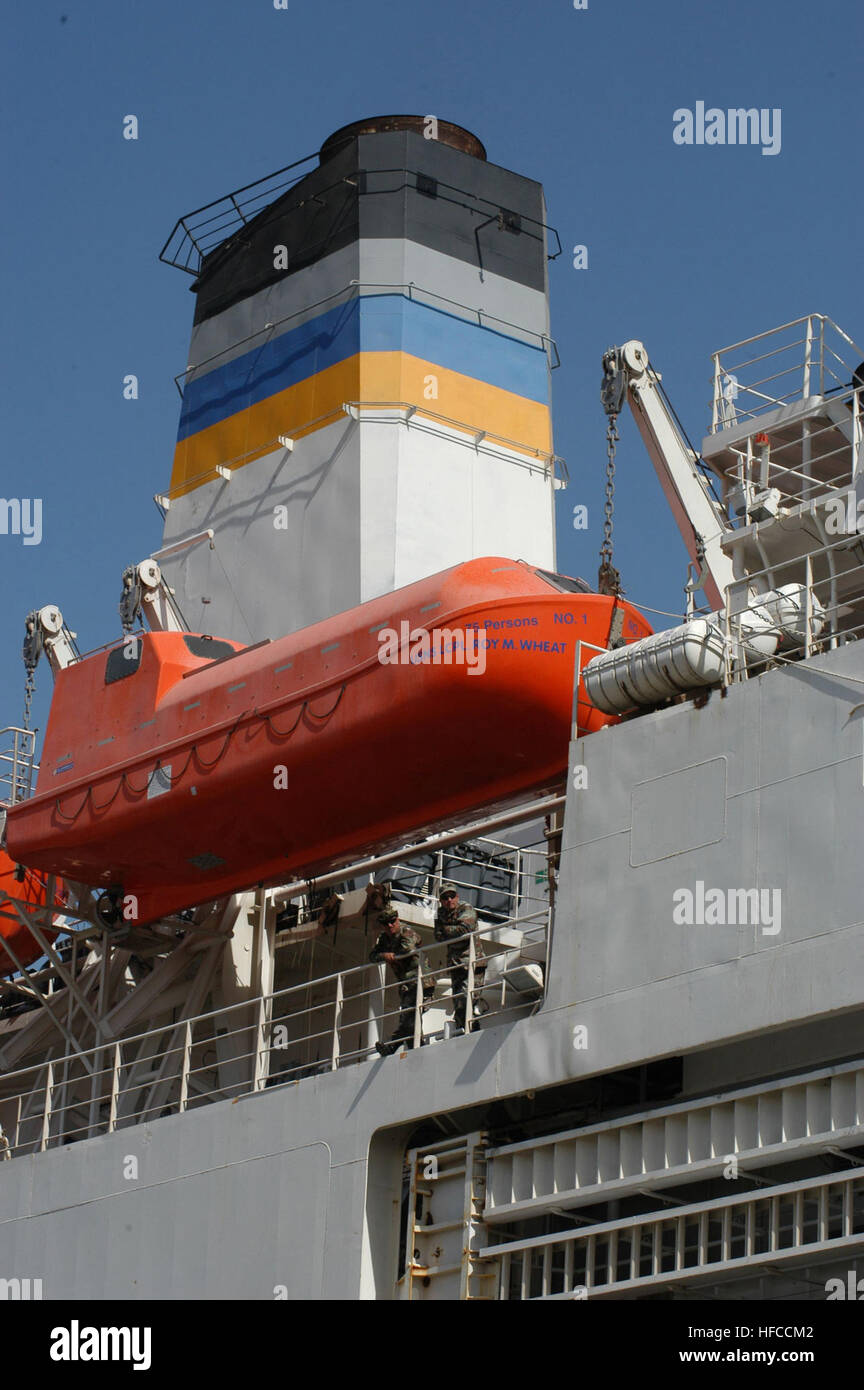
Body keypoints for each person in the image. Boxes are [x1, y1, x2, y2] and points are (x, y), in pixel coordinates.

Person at [369, 908, 431, 1056]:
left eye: (392, 921)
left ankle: (392, 1046)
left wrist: (392, 955)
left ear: (397, 920)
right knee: (410, 1018)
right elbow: (372, 956)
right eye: (386, 924)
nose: (390, 926)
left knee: (409, 1016)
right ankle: (417, 1048)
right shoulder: (384, 938)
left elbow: (407, 949)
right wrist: (385, 955)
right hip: (406, 984)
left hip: (420, 981)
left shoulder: (407, 932)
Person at [434, 886, 487, 1032]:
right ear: (441, 901)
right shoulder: (440, 913)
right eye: (445, 897)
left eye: (451, 896)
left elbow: (465, 929)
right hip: (456, 965)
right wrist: (451, 932)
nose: (449, 900)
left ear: (457, 896)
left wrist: (446, 930)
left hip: (473, 963)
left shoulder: (466, 908)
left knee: (467, 1000)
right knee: (458, 1004)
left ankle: (473, 1029)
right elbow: (438, 936)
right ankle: (464, 1032)